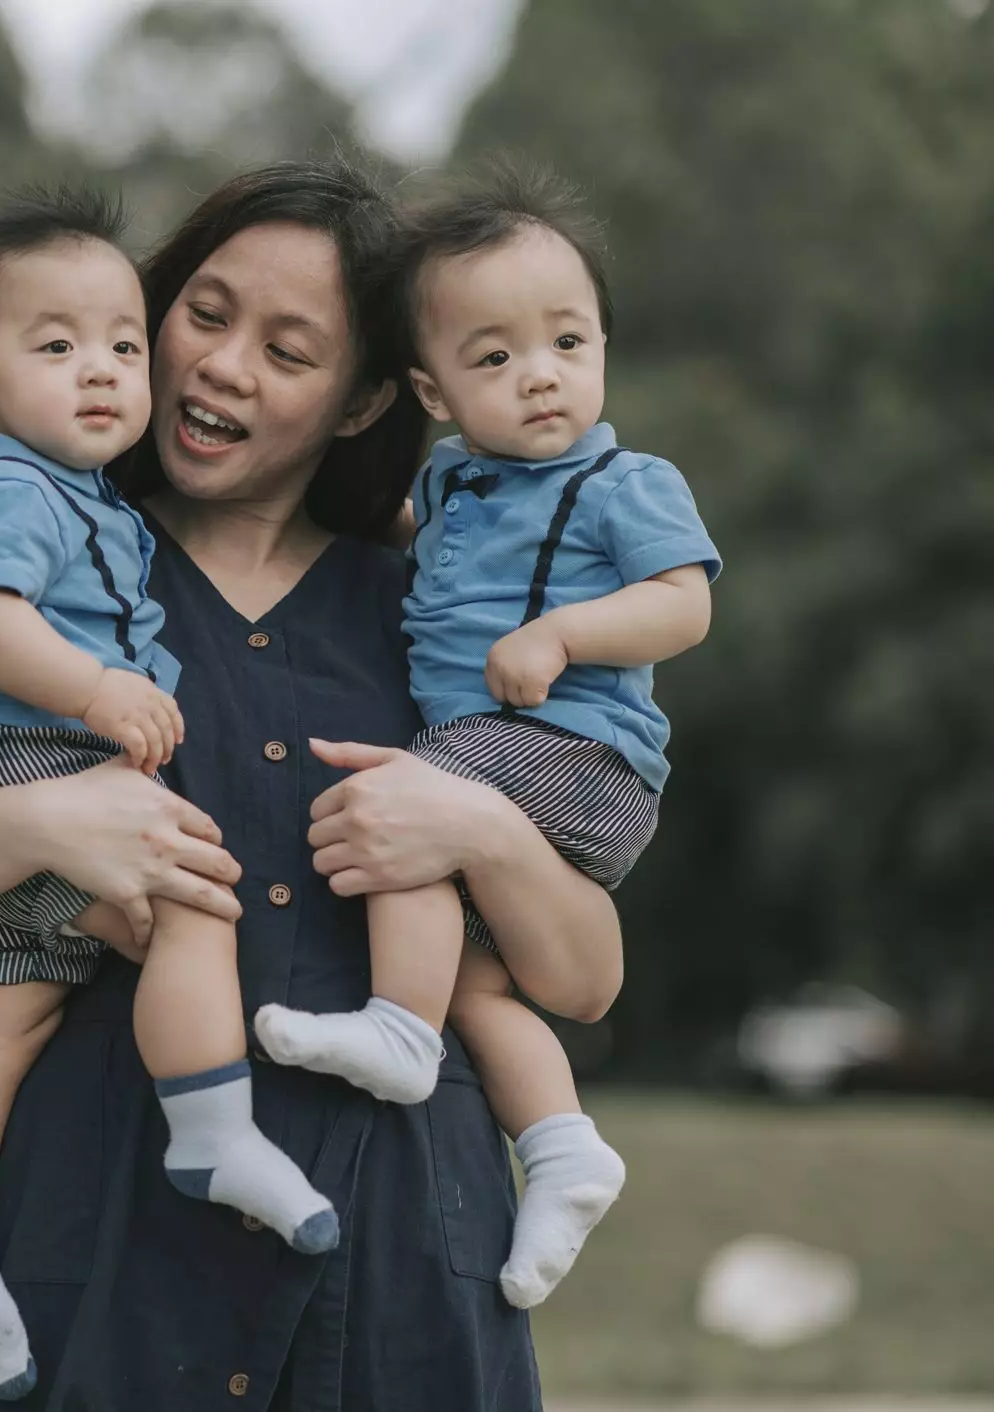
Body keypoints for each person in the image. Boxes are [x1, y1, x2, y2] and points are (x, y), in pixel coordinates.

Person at [0, 158, 626, 1411]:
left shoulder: (441, 611)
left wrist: (479, 827)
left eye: (288, 351)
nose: (224, 365)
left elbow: (585, 976)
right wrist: (41, 817)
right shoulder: (23, 584)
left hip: (400, 1270)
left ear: (360, 404)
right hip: (99, 1261)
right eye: (203, 312)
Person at [0, 186, 337, 1403]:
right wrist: (92, 695)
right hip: (9, 764)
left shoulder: (48, 499)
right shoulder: (13, 490)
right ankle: (212, 1127)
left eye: (119, 345)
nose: (102, 371)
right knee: (186, 889)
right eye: (55, 346)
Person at [250, 165, 718, 1310]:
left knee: (408, 808)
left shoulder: (622, 480)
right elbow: (425, 545)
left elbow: (684, 602)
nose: (541, 376)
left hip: (572, 750)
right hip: (500, 755)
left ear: (602, 342)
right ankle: (561, 1146)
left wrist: (562, 634)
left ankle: (396, 1030)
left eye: (566, 341)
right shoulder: (458, 479)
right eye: (495, 357)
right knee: (483, 985)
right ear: (434, 389)